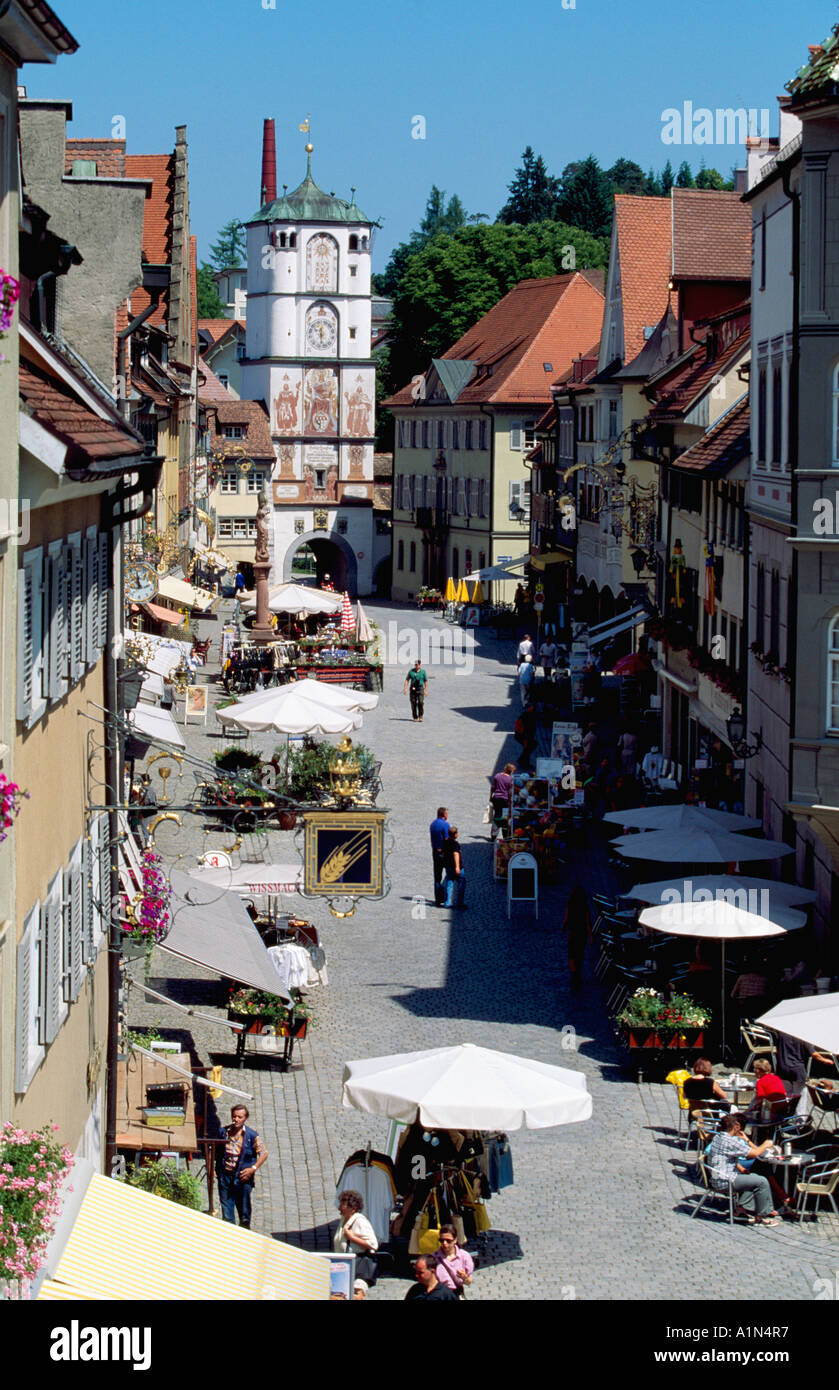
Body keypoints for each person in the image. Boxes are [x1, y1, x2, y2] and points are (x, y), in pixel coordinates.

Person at [705, 1114, 779, 1225]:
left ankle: (741, 1210)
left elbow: (726, 1157)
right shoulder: (730, 1141)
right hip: (725, 1181)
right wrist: (766, 1144)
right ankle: (762, 1217)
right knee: (762, 1182)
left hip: (716, 1178)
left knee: (753, 1177)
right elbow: (755, 1153)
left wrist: (741, 1168)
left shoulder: (718, 1137)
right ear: (736, 1126)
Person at [216, 1105, 268, 1229]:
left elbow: (264, 1153)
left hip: (243, 1177)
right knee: (227, 1213)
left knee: (244, 1212)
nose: (236, 1119)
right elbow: (216, 1151)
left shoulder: (251, 1136)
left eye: (240, 1117)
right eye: (234, 1116)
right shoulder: (223, 1132)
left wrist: (253, 1169)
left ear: (245, 1118)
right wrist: (214, 1170)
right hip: (225, 1176)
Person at [335, 1190, 379, 1283]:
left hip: (356, 1267)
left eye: (343, 1205)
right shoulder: (344, 1219)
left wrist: (352, 1238)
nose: (339, 1208)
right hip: (344, 1267)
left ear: (353, 1208)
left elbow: (373, 1244)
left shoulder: (360, 1221)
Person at [433, 1224, 474, 1296]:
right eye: (441, 1240)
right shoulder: (434, 1257)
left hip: (455, 1295)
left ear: (455, 1240)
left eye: (448, 1241)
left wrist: (464, 1277)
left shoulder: (464, 1256)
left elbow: (469, 1282)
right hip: (439, 1295)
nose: (444, 1243)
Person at [564, 884, 591, 992]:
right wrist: (591, 935)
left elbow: (566, 916)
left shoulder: (570, 904)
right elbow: (588, 922)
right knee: (579, 954)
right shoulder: (585, 907)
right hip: (582, 934)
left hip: (572, 932)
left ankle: (573, 974)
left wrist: (564, 926)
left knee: (571, 954)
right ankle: (578, 974)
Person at [429, 807, 450, 907]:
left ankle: (438, 899)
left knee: (437, 876)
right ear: (444, 814)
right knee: (449, 874)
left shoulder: (433, 824)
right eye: (447, 813)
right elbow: (447, 839)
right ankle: (446, 897)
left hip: (435, 852)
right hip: (444, 852)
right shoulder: (445, 825)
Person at [489, 763, 515, 840]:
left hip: (496, 798)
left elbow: (492, 788)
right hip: (505, 799)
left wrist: (490, 797)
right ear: (510, 771)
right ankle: (505, 835)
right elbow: (510, 791)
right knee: (504, 817)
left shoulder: (497, 776)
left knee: (496, 815)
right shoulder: (510, 779)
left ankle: (493, 834)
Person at [443, 826, 466, 909]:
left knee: (449, 883)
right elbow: (455, 854)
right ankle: (460, 903)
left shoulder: (445, 842)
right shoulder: (455, 844)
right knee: (461, 883)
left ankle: (447, 902)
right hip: (456, 867)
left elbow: (443, 853)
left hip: (448, 866)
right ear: (455, 834)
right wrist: (457, 867)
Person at [515, 701, 537, 771]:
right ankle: (524, 763)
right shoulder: (526, 716)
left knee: (529, 748)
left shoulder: (529, 714)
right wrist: (526, 738)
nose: (532, 707)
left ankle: (522, 761)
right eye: (531, 707)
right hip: (524, 736)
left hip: (526, 735)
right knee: (528, 748)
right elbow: (526, 728)